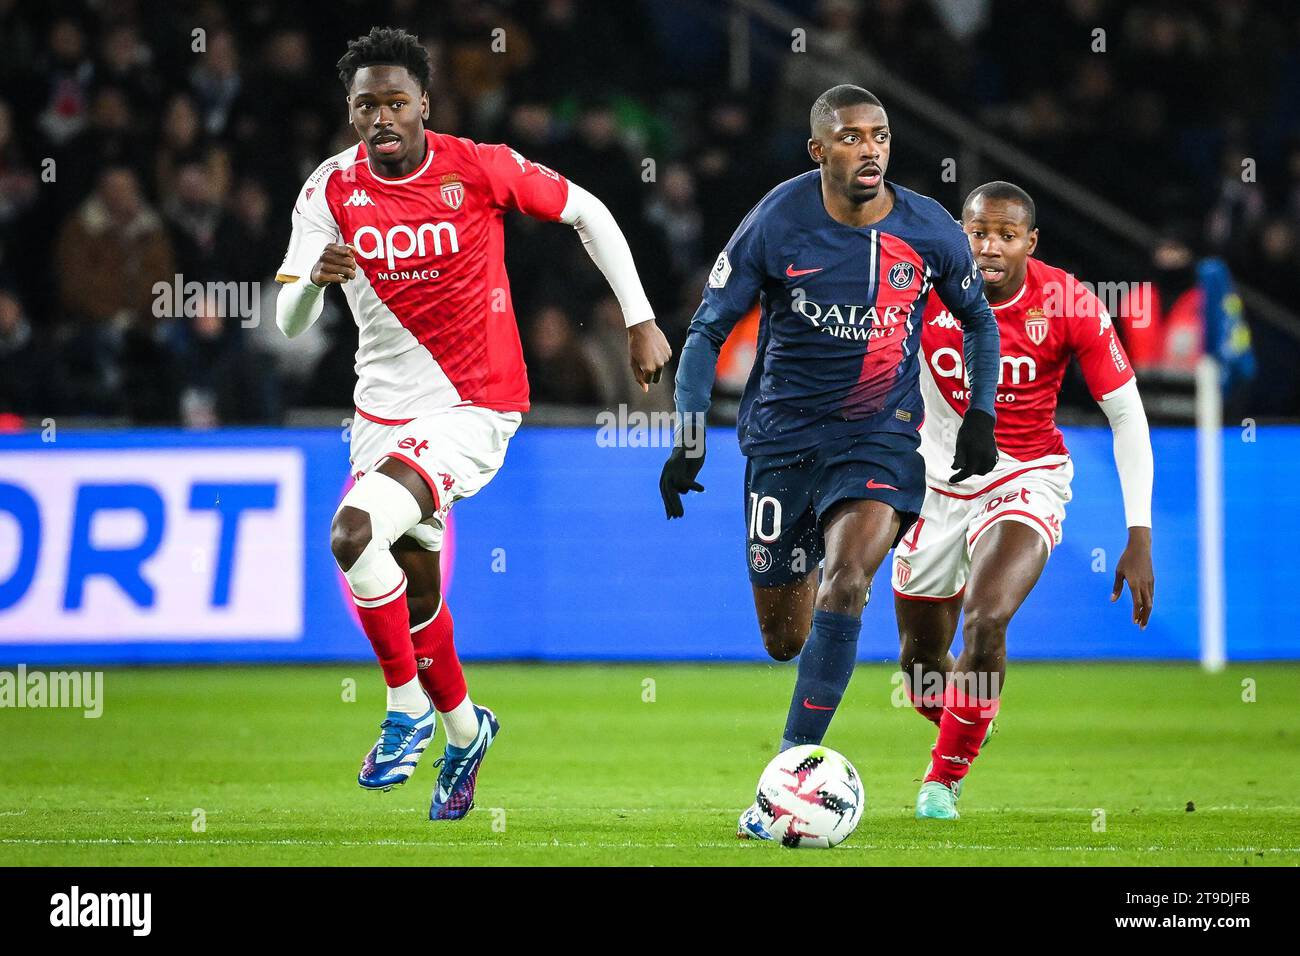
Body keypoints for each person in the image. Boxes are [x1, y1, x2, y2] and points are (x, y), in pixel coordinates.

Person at [274, 27, 670, 820]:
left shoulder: (477, 166)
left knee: (353, 534)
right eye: (366, 105)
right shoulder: (328, 190)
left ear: (424, 103)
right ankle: (464, 731)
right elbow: (286, 320)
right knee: (416, 598)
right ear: (350, 114)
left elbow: (587, 211)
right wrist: (313, 282)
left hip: (473, 405)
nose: (382, 117)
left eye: (395, 101)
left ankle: (405, 709)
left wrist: (639, 318)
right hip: (380, 415)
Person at [657, 84, 1001, 842]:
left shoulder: (929, 228)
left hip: (879, 439)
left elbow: (978, 317)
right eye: (850, 137)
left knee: (850, 578)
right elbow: (708, 330)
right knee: (785, 639)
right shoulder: (779, 222)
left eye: (879, 135)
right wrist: (689, 435)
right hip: (781, 444)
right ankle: (823, 628)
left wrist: (981, 413)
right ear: (819, 150)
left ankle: (788, 773)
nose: (869, 148)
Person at [896, 181, 1155, 819]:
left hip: (1025, 477)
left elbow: (1128, 417)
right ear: (962, 234)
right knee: (921, 670)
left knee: (986, 621)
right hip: (933, 484)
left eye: (1006, 235)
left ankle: (941, 783)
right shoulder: (922, 289)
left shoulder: (1068, 302)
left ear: (1029, 242)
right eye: (978, 232)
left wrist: (1139, 534)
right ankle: (971, 716)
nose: (989, 247)